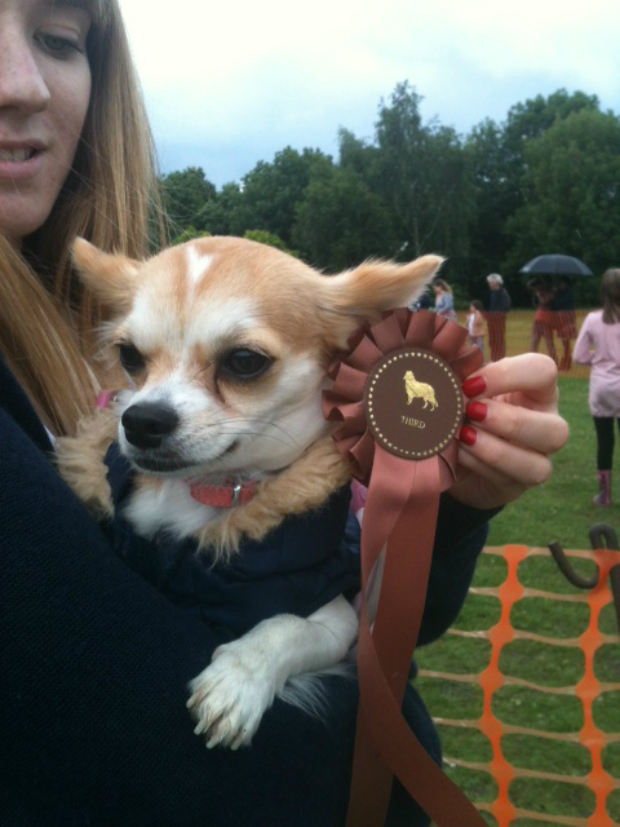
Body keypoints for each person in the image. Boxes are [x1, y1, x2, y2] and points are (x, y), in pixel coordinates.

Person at [0, 1, 568, 824]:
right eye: (135, 359)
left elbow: (383, 625)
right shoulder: (119, 467)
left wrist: (446, 508)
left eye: (242, 363)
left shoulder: (333, 496)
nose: (152, 407)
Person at [573, 268, 620, 507]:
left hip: (602, 386)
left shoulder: (593, 319)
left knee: (604, 441)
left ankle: (604, 495)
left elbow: (578, 356)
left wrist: (599, 357)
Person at [527, 277, 558, 363]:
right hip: (540, 317)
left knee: (548, 341)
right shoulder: (544, 291)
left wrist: (539, 294)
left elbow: (544, 301)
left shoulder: (548, 292)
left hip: (545, 318)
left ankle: (554, 360)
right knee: (535, 340)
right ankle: (531, 360)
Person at [551, 276, 577, 372]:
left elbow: (559, 304)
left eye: (561, 283)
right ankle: (566, 361)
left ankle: (567, 362)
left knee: (566, 342)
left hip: (567, 319)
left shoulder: (568, 294)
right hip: (560, 320)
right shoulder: (558, 293)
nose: (559, 285)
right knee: (565, 343)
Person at [485, 273, 511, 361]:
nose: (490, 284)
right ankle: (493, 357)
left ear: (497, 283)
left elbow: (506, 307)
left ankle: (501, 358)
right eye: (489, 283)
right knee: (492, 340)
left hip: (499, 320)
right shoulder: (490, 293)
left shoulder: (503, 293)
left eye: (492, 283)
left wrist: (497, 314)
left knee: (499, 340)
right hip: (491, 320)